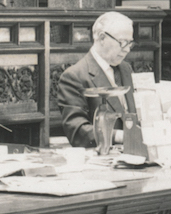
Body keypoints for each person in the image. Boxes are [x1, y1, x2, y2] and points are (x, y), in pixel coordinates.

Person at [56, 11, 137, 149]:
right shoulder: (74, 76)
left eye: (130, 43)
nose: (128, 49)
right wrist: (120, 136)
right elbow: (78, 132)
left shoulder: (126, 69)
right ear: (102, 38)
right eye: (123, 42)